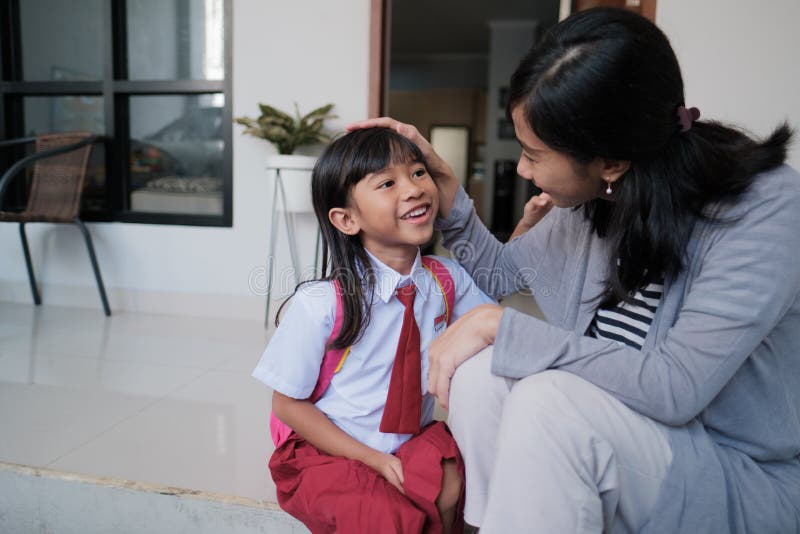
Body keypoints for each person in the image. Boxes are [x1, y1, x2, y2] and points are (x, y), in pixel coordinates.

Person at [348, 7, 800, 534]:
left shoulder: (764, 207)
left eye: (534, 154)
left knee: (547, 401)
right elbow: (498, 276)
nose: (523, 169)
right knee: (480, 376)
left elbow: (675, 387)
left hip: (729, 473)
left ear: (610, 161)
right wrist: (446, 187)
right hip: (615, 433)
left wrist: (502, 326)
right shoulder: (597, 199)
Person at [252, 127, 498, 533]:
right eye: (387, 183)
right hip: (329, 451)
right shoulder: (321, 304)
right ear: (347, 219)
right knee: (386, 518)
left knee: (453, 483)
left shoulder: (446, 280)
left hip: (408, 441)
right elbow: (288, 406)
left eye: (418, 173)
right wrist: (372, 460)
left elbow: (492, 325)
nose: (414, 189)